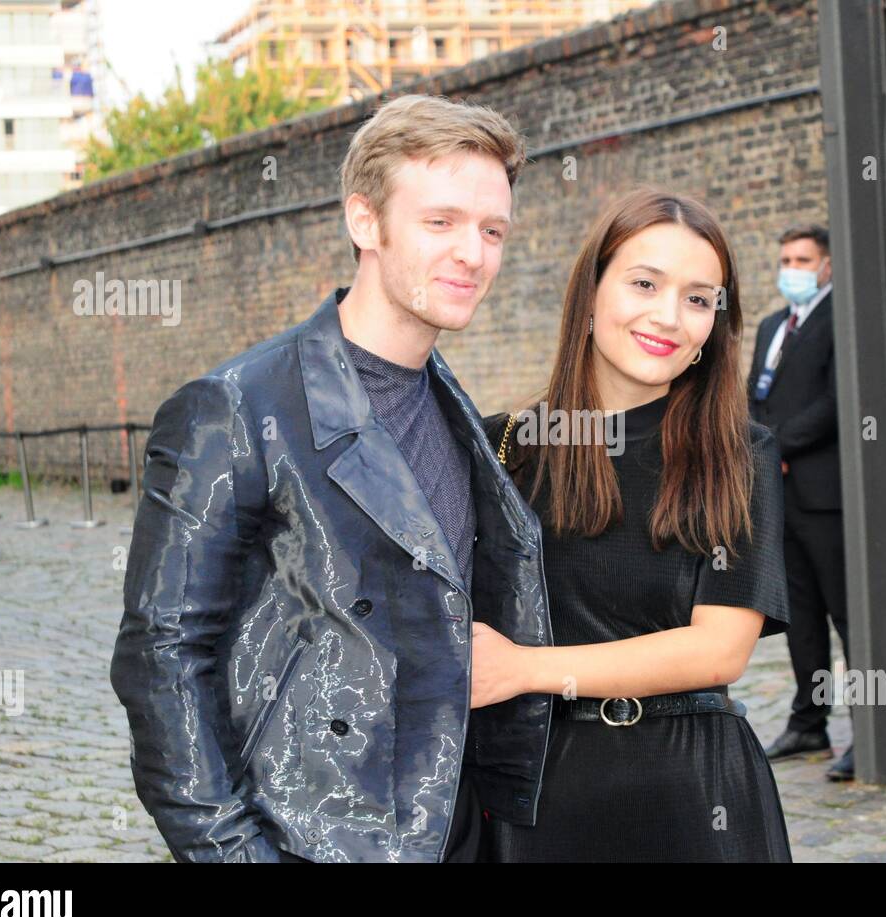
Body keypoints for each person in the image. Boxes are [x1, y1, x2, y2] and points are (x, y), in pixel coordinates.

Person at [110, 93, 555, 862]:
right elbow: (160, 656)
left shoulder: (455, 410)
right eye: (440, 222)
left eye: (492, 231)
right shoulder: (236, 406)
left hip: (450, 835)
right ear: (364, 222)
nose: (473, 254)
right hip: (306, 839)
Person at [471, 187, 793, 862]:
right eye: (644, 282)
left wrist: (524, 668)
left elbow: (718, 650)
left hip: (692, 798)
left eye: (699, 298)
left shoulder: (740, 453)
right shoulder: (501, 446)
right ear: (590, 294)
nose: (668, 316)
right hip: (536, 799)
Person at [747, 223, 854, 782]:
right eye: (785, 256)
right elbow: (752, 397)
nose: (791, 267)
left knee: (846, 614)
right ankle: (809, 720)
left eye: (803, 258)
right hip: (779, 494)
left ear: (827, 265)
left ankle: (870, 729)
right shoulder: (771, 326)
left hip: (825, 496)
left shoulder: (841, 320)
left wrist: (775, 444)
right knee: (801, 616)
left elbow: (838, 403)